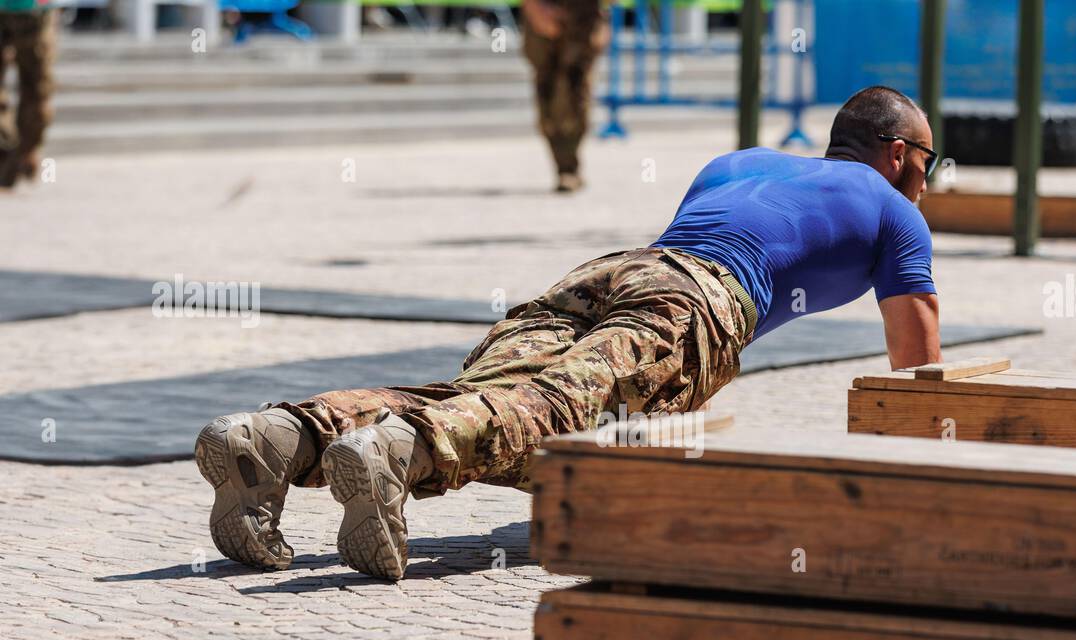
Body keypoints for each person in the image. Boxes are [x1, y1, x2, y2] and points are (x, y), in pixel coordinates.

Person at [196, 85, 942, 581]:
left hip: (612, 270)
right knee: (559, 422)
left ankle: (277, 437)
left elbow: (689, 248)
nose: (927, 183)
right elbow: (917, 376)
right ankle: (404, 450)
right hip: (694, 302)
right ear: (899, 153)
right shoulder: (894, 208)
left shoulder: (741, 161)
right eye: (927, 163)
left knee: (479, 394)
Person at [520, 0, 608, 192]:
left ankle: (569, 168)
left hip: (583, 15)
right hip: (542, 12)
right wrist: (533, 7)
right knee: (547, 91)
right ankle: (563, 166)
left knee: (576, 91)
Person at [0, 0, 56, 189]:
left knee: (37, 89)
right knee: (37, 88)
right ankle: (14, 154)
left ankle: (22, 153)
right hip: (33, 8)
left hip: (34, 8)